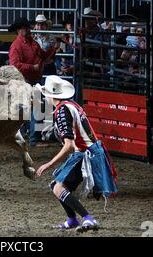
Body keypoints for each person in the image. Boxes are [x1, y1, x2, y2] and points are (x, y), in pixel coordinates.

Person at [35, 75, 117, 232]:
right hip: (90, 151)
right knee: (55, 185)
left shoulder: (61, 111)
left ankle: (88, 219)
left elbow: (68, 146)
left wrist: (49, 163)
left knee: (58, 188)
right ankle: (72, 220)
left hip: (86, 154)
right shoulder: (72, 105)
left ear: (50, 95)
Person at [8, 17, 59, 147]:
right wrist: (32, 67)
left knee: (33, 108)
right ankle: (33, 138)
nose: (28, 29)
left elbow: (42, 55)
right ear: (19, 30)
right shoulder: (16, 46)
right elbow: (15, 64)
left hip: (32, 80)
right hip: (23, 81)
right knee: (34, 108)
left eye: (28, 27)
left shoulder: (32, 43)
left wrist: (53, 50)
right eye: (25, 28)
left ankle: (31, 137)